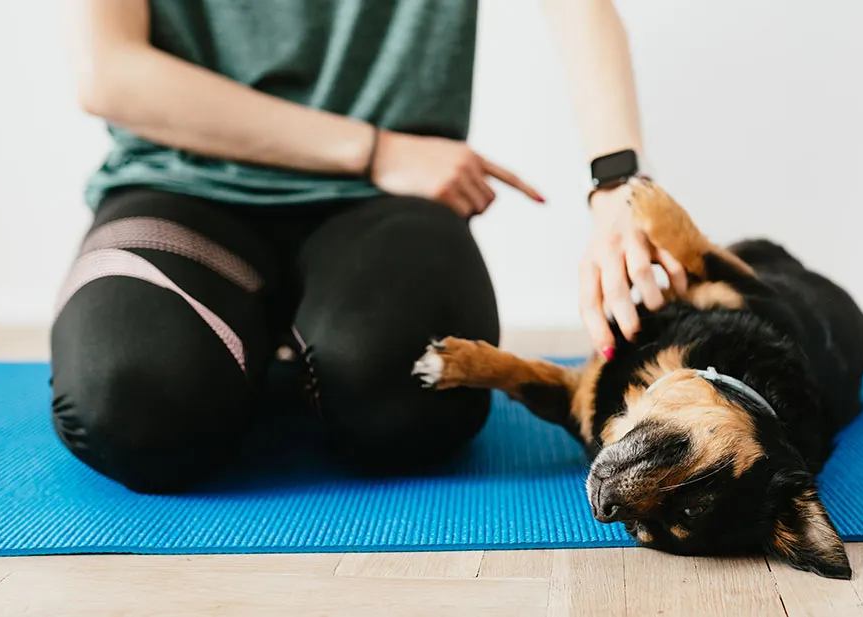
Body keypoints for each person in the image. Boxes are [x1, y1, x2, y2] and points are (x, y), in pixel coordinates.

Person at [54, 0, 687, 494]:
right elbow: (108, 72)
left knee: (413, 403)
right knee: (131, 408)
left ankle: (285, 359)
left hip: (384, 204)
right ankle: (254, 358)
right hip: (180, 185)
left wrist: (618, 187)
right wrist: (374, 149)